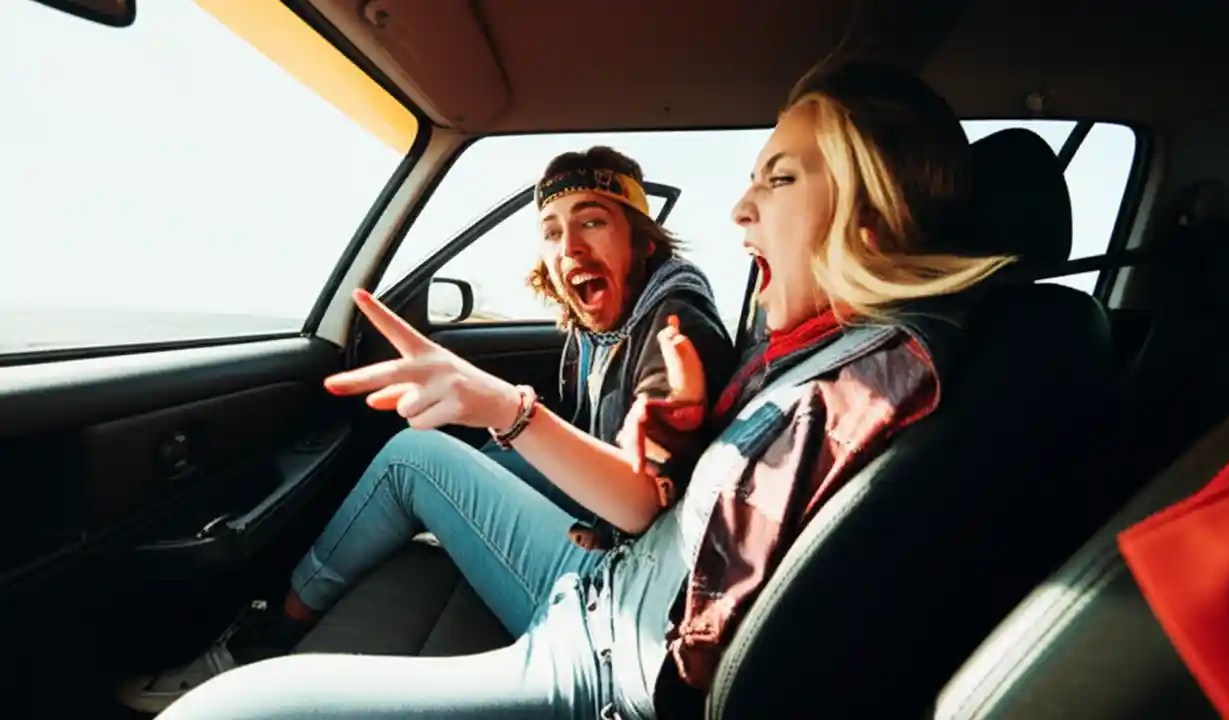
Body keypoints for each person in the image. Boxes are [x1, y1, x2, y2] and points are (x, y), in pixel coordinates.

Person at [154, 60, 1014, 720]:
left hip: (607, 645)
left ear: (874, 208)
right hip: (612, 582)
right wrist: (684, 439)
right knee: (419, 452)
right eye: (554, 231)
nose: (741, 210)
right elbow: (698, 496)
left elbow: (694, 572)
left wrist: (508, 409)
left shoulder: (850, 372)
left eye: (780, 179)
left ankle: (254, 648)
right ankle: (266, 632)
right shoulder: (813, 350)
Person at [117, 147, 736, 714]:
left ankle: (268, 634)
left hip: (621, 580)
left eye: (593, 220)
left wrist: (509, 411)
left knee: (414, 457)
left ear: (643, 240)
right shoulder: (598, 332)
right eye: (552, 230)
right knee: (448, 455)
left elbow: (638, 501)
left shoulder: (676, 324)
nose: (569, 246)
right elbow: (585, 441)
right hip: (609, 534)